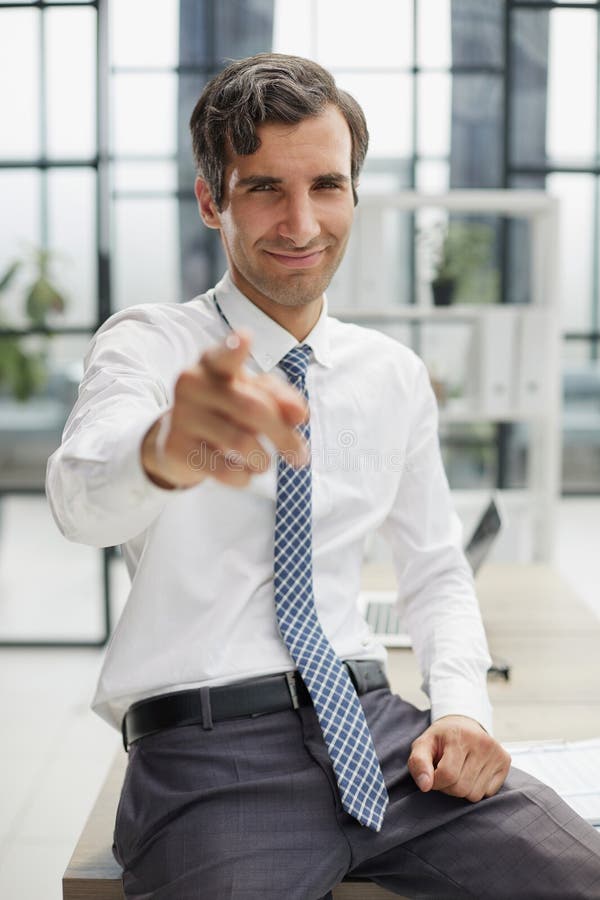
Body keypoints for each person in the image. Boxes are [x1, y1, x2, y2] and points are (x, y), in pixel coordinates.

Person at [47, 53, 600, 899]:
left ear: (353, 193)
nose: (301, 223)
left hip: (377, 728)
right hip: (208, 758)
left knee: (578, 873)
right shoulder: (150, 346)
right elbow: (80, 499)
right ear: (210, 201)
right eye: (265, 187)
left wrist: (460, 710)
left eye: (327, 186)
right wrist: (167, 447)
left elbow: (435, 571)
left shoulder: (392, 373)